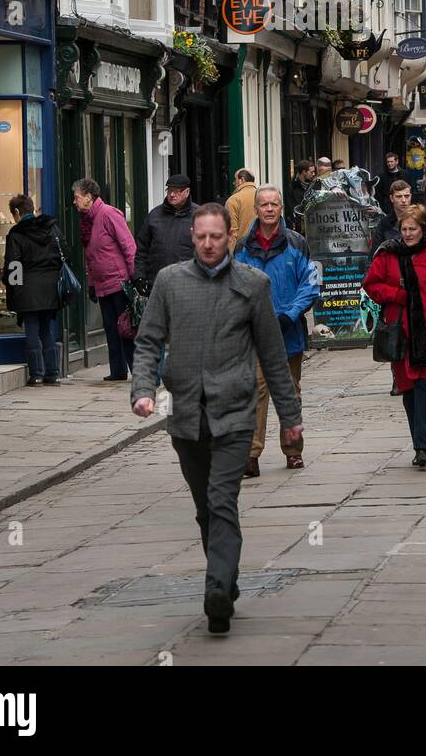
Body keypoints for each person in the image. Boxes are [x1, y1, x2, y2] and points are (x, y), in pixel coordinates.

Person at [131, 203, 302, 635]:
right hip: (186, 417)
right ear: (192, 236)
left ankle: (217, 590)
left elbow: (273, 354)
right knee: (205, 507)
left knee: (223, 500)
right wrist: (143, 391)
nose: (209, 244)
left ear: (230, 237)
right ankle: (225, 576)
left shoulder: (252, 284)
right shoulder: (169, 283)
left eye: (217, 237)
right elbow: (148, 341)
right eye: (202, 236)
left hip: (235, 415)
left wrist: (290, 416)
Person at [364, 205, 426, 468]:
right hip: (400, 331)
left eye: (413, 229)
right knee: (408, 388)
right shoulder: (388, 254)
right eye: (405, 229)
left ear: (423, 230)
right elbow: (371, 285)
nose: (408, 234)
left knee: (425, 384)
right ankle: (418, 439)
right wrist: (395, 294)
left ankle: (423, 447)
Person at [234, 185, 319, 476]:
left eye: (274, 204)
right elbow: (234, 286)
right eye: (264, 205)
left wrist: (291, 314)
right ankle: (251, 454)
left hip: (288, 331)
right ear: (256, 209)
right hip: (255, 333)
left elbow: (310, 284)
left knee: (289, 394)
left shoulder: (296, 243)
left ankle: (293, 451)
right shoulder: (243, 247)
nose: (269, 209)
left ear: (281, 208)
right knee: (255, 392)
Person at [73, 178, 136, 382]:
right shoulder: (87, 220)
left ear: (89, 197)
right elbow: (92, 257)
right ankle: (118, 370)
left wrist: (135, 277)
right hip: (102, 284)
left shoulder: (109, 214)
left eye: (77, 197)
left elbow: (128, 246)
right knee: (110, 327)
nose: (74, 202)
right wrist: (91, 284)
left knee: (126, 327)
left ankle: (139, 370)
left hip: (119, 281)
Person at [3, 194, 67, 388]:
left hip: (28, 288)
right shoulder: (51, 228)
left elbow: (14, 265)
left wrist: (12, 286)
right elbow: (64, 253)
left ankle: (36, 374)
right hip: (50, 286)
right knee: (46, 329)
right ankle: (53, 374)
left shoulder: (16, 234)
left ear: (16, 212)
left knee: (31, 329)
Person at [134, 174, 194, 288]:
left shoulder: (198, 216)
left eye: (177, 191)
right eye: (169, 190)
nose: (172, 195)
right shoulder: (154, 215)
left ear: (187, 192)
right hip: (157, 283)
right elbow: (142, 249)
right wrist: (139, 276)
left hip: (188, 283)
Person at [374, 180, 426, 249]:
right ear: (391, 198)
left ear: (411, 196)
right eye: (399, 197)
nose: (403, 200)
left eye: (407, 196)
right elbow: (376, 253)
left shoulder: (423, 219)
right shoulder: (384, 224)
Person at [225, 169, 257, 252]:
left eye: (235, 180)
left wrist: (229, 258)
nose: (233, 183)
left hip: (243, 252)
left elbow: (232, 232)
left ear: (241, 180)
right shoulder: (263, 197)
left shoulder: (233, 200)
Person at [288, 158, 316, 230]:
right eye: (311, 172)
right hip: (299, 227)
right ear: (304, 172)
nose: (314, 174)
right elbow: (291, 208)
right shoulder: (292, 187)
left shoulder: (314, 185)